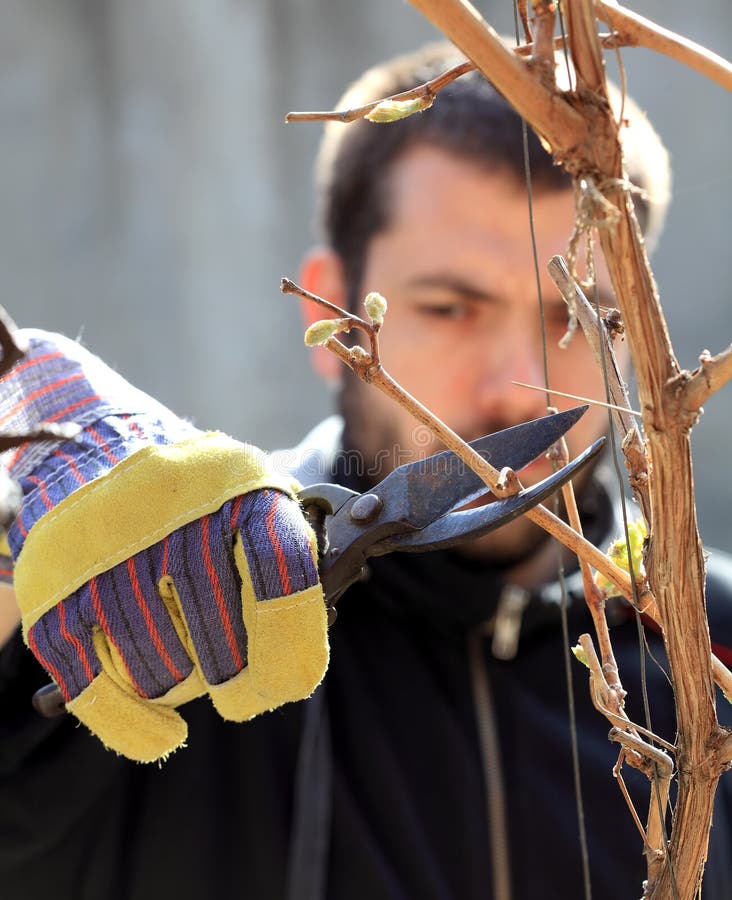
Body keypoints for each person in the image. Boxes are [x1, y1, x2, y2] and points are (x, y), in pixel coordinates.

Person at [1, 41, 731, 900]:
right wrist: (40, 497)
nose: (516, 388)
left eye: (581, 316)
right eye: (450, 307)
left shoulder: (712, 643)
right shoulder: (176, 619)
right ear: (330, 316)